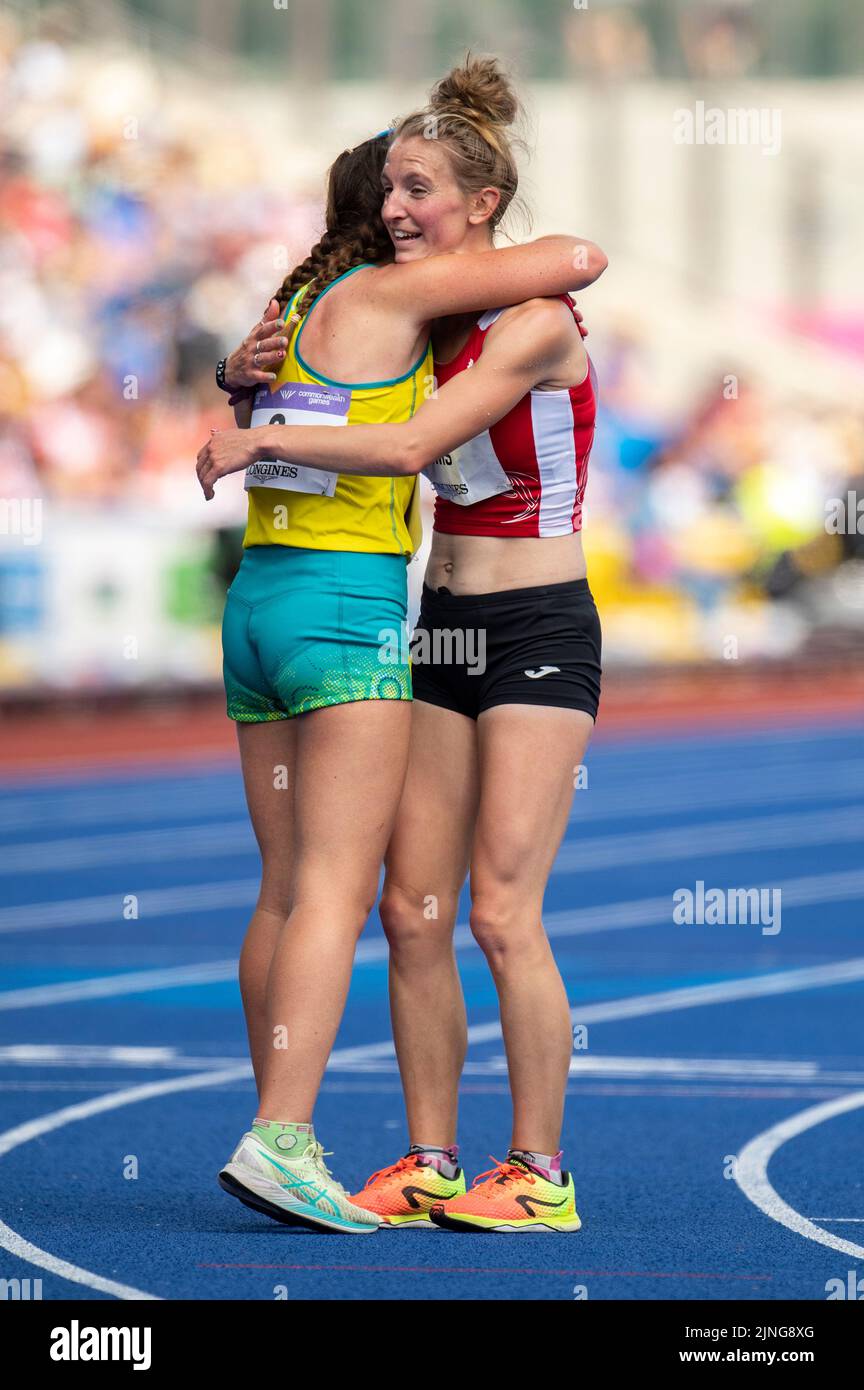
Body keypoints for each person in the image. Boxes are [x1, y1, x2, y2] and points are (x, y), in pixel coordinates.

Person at [199, 56, 603, 1233]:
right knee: (408, 910)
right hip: (439, 624)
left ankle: (538, 1168)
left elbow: (408, 442)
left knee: (498, 910)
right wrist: (241, 379)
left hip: (535, 626)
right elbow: (340, 393)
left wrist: (250, 430)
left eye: (421, 191)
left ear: (483, 206)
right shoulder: (421, 317)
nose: (395, 212)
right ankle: (431, 1157)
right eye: (388, 192)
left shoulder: (527, 323)